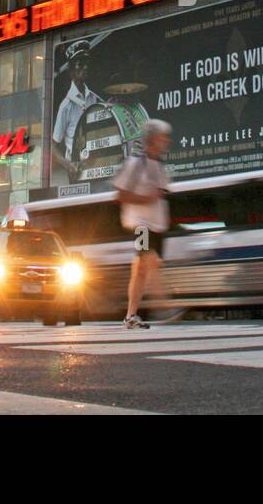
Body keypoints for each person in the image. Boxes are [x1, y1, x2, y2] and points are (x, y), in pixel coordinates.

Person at [114, 119, 172, 329]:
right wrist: (146, 199)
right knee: (148, 261)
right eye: (162, 137)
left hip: (157, 227)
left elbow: (161, 196)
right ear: (152, 139)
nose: (166, 141)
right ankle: (165, 306)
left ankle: (131, 315)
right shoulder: (136, 163)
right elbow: (120, 195)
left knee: (141, 270)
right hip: (140, 225)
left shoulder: (159, 165)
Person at [52, 40, 102, 185]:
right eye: (80, 64)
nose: (85, 68)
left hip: (97, 167)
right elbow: (53, 145)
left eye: (87, 64)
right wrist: (68, 164)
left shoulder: (95, 99)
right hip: (77, 172)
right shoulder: (66, 106)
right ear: (71, 70)